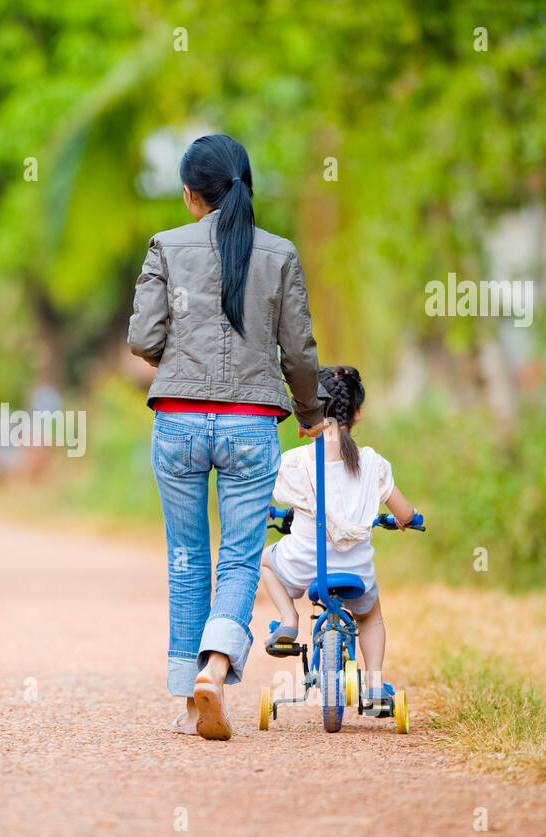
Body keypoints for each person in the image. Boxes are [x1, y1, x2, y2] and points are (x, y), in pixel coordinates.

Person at [128, 133, 327, 741]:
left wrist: (181, 358)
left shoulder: (166, 246)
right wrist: (310, 411)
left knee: (187, 561)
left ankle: (192, 700)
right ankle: (214, 671)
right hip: (252, 423)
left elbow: (143, 339)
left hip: (179, 422)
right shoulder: (281, 253)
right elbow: (297, 350)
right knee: (238, 558)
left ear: (191, 195)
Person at [259, 365, 418, 712]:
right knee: (371, 617)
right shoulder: (373, 464)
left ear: (312, 411)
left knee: (266, 562)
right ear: (357, 412)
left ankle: (289, 619)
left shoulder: (296, 462)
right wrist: (409, 520)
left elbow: (270, 497)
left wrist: (273, 513)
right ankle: (374, 683)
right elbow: (404, 513)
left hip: (304, 561)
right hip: (355, 570)